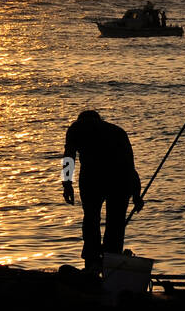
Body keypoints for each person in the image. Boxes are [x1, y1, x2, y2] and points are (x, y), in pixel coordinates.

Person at [61, 110, 143, 272]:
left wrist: (67, 184)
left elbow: (69, 157)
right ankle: (110, 265)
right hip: (120, 181)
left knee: (91, 220)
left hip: (93, 180)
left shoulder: (76, 128)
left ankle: (92, 262)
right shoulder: (118, 131)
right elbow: (130, 165)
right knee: (116, 225)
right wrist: (136, 194)